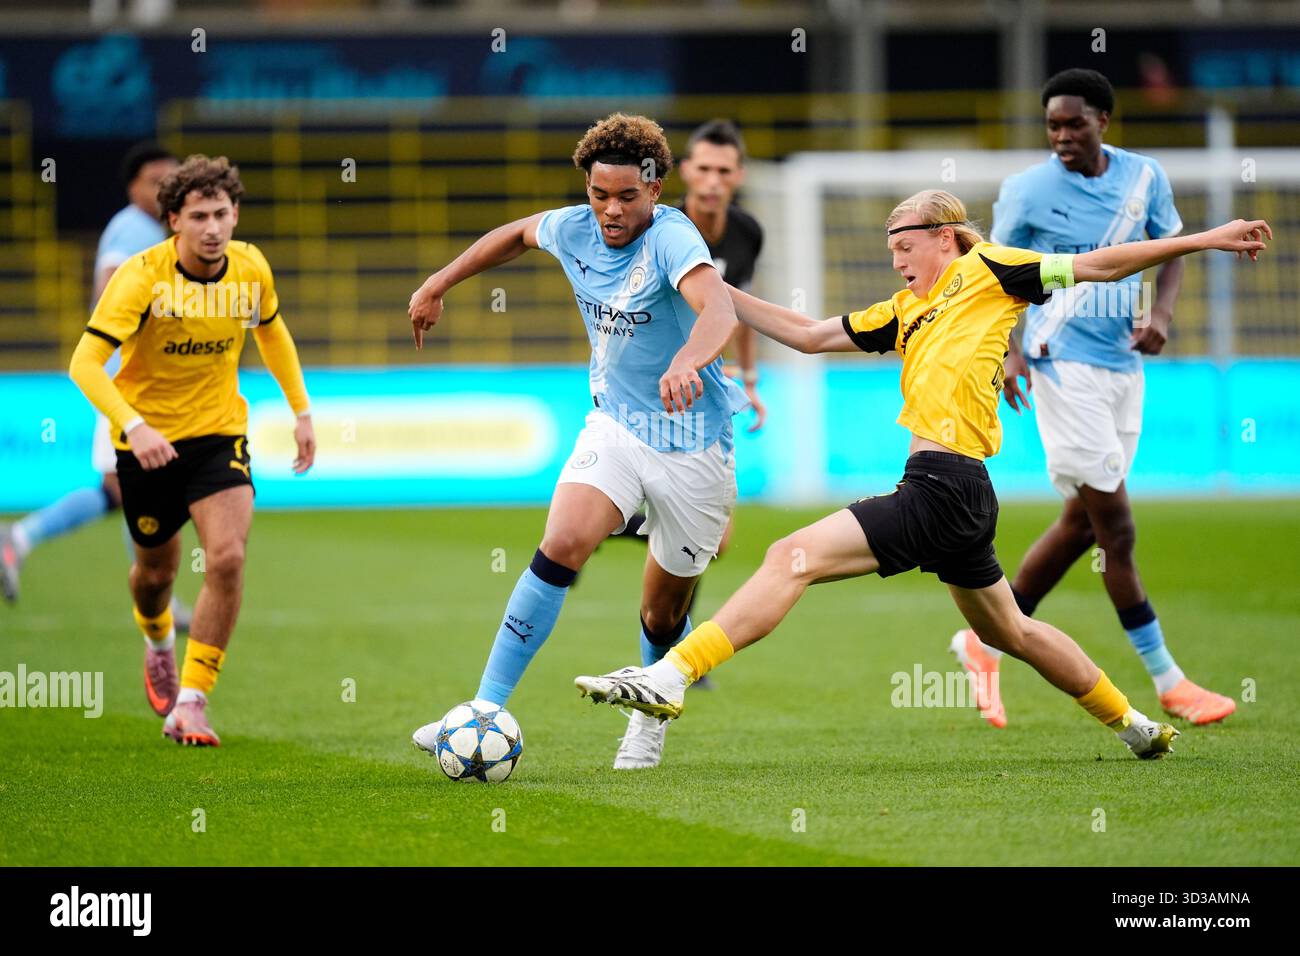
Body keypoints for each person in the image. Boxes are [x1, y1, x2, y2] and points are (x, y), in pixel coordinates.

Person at [575, 189, 1270, 762]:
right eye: (891, 251)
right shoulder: (905, 312)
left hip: (942, 486)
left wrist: (1204, 239)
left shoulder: (994, 269)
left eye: (905, 246)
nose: (898, 261)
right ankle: (1135, 726)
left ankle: (670, 674)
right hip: (963, 496)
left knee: (792, 557)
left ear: (945, 236)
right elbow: (813, 335)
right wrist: (712, 288)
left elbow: (1099, 264)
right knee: (1010, 632)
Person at [407, 113, 749, 771]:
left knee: (660, 611)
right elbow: (512, 235)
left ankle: (647, 723)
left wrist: (686, 361)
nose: (612, 210)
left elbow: (722, 310)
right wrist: (437, 284)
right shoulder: (573, 228)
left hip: (695, 449)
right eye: (600, 195)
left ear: (655, 188)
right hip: (618, 427)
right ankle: (483, 707)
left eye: (627, 196)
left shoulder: (675, 239)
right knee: (563, 543)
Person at [948, 68, 1235, 729]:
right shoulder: (1027, 190)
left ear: (1104, 120)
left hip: (1121, 367)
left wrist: (1161, 313)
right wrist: (1012, 349)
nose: (1062, 136)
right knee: (1119, 528)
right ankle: (1169, 681)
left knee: (1083, 522)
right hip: (1060, 365)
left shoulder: (1144, 179)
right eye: (1053, 125)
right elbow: (994, 268)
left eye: (1075, 123)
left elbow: (1171, 251)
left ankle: (981, 640)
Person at [68, 154, 316, 745]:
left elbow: (272, 331)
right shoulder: (141, 277)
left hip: (218, 435)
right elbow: (84, 363)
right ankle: (157, 639)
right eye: (198, 215)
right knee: (155, 574)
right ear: (173, 220)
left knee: (227, 557)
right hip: (146, 443)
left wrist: (301, 411)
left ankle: (193, 701)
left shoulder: (251, 268)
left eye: (222, 214)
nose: (212, 227)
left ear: (236, 215)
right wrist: (134, 424)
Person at [1, 143, 192, 636]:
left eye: (173, 179)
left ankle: (18, 539)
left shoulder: (157, 232)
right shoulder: (134, 228)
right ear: (133, 188)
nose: (164, 187)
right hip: (128, 382)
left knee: (121, 490)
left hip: (135, 381)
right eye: (155, 180)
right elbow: (112, 291)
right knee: (138, 486)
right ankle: (159, 601)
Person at [608, 119, 766, 693]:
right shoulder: (660, 227)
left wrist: (748, 379)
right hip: (645, 393)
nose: (712, 180)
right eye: (702, 167)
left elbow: (736, 309)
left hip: (703, 398)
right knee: (696, 531)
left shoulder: (746, 233)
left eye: (725, 170)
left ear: (738, 176)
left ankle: (667, 643)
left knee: (714, 540)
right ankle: (670, 654)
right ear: (685, 172)